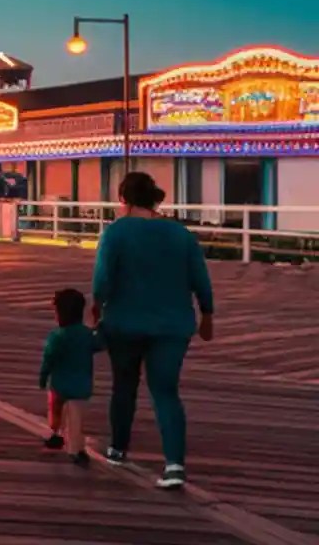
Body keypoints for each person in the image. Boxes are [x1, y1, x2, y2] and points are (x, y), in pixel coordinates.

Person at [92, 171, 214, 490]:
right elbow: (200, 277)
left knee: (124, 386)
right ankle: (174, 464)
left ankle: (118, 448)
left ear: (125, 201)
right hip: (173, 325)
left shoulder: (116, 232)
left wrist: (96, 306)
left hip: (124, 321)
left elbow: (103, 277)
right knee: (166, 392)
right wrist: (207, 313)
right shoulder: (180, 234)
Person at [39, 288, 102, 467]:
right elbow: (99, 344)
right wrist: (100, 327)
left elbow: (48, 358)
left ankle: (55, 433)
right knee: (76, 417)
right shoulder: (86, 335)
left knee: (55, 409)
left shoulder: (56, 337)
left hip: (59, 383)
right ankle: (76, 449)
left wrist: (43, 376)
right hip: (81, 384)